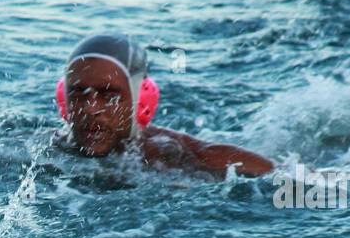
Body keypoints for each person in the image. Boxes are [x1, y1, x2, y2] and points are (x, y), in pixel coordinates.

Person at [58, 33, 274, 177]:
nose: (91, 108)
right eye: (78, 93)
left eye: (110, 95)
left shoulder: (176, 155)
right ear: (63, 100)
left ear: (141, 100)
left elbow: (285, 175)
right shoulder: (45, 150)